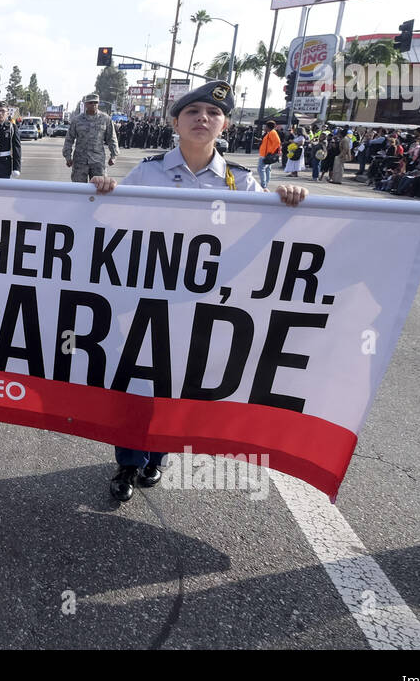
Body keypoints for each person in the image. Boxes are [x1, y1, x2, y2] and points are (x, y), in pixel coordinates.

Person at [91, 80, 307, 501]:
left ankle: (157, 456)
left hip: (204, 303)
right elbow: (110, 220)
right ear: (176, 122)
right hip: (147, 297)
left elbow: (268, 231)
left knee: (180, 383)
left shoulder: (239, 182)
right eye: (193, 112)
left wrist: (287, 198)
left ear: (224, 125)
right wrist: (103, 193)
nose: (202, 119)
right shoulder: (149, 172)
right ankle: (127, 462)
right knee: (137, 381)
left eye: (212, 114)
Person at [63, 95, 117, 182]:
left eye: (95, 102)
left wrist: (114, 155)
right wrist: (67, 157)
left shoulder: (105, 119)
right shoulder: (77, 120)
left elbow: (111, 138)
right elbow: (69, 139)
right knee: (79, 189)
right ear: (85, 104)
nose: (93, 104)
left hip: (98, 161)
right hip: (80, 161)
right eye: (90, 102)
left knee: (99, 189)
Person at [257, 119, 281, 191]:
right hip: (265, 154)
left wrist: (270, 152)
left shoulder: (272, 133)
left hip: (266, 154)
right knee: (267, 169)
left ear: (268, 127)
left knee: (261, 169)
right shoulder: (270, 133)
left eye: (265, 126)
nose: (264, 127)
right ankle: (265, 185)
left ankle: (263, 185)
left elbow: (277, 142)